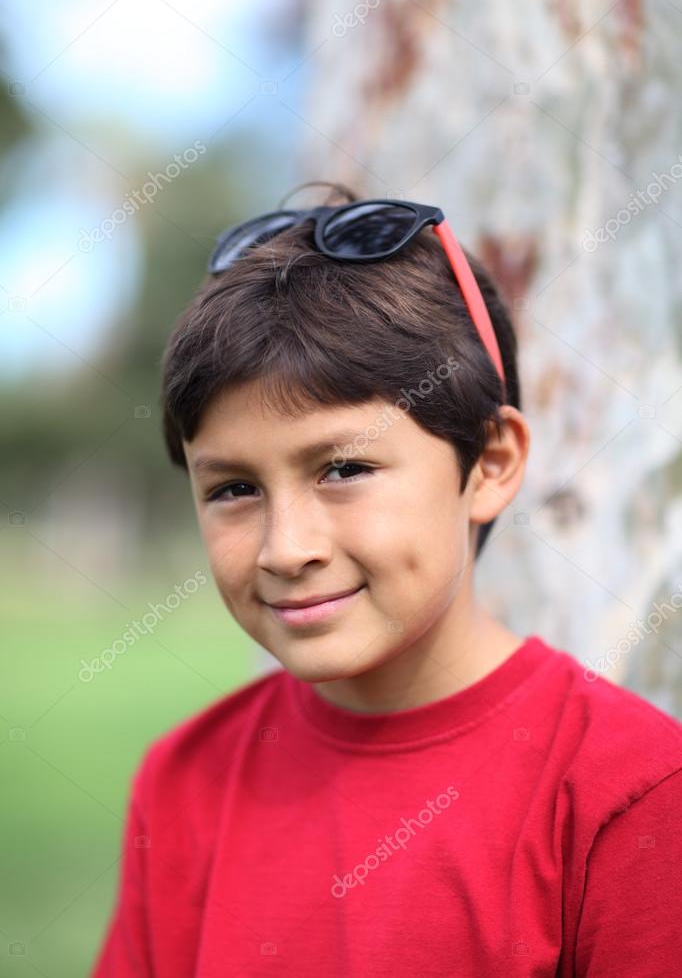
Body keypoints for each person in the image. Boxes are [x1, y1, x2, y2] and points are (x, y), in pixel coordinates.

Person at [91, 182, 682, 977]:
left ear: (491, 463)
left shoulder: (631, 796)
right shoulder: (184, 781)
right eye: (233, 488)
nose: (285, 548)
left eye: (343, 468)